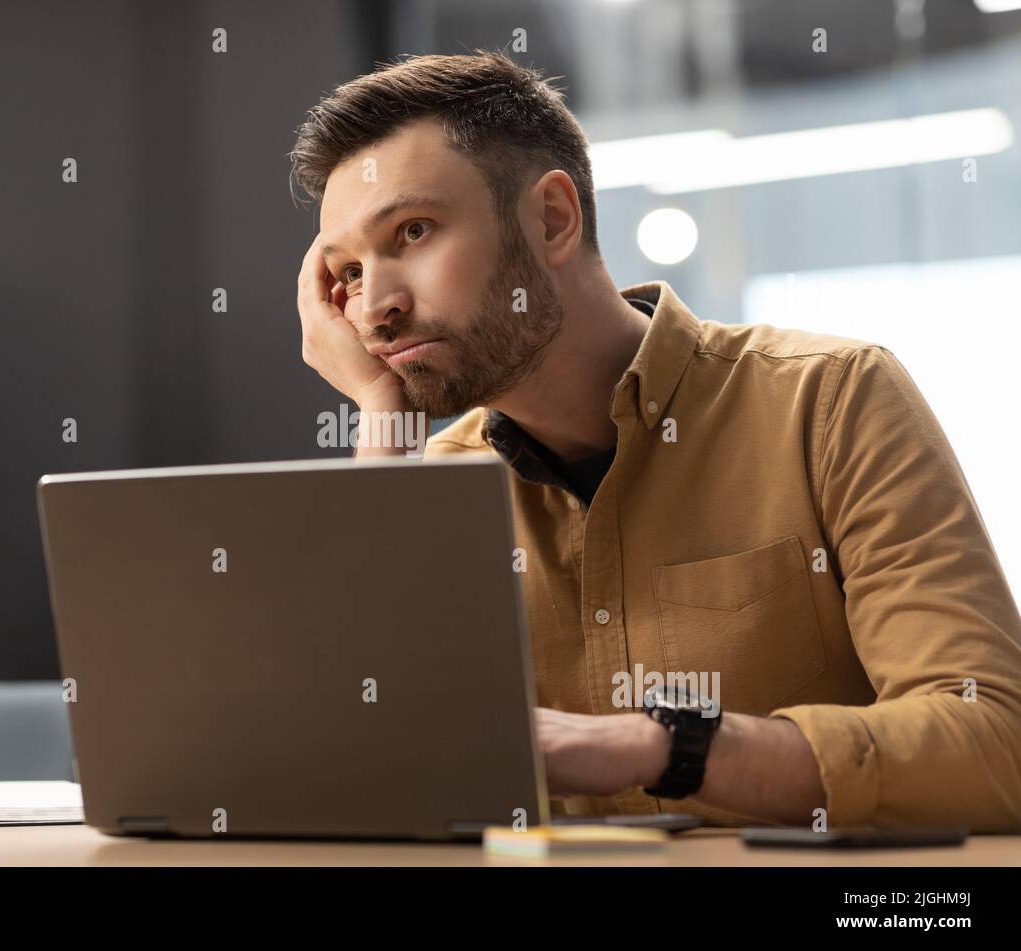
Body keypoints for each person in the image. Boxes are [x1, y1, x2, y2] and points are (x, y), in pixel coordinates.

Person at [290, 50, 1021, 830]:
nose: (374, 310)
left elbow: (996, 744)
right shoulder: (431, 484)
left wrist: (661, 746)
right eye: (350, 273)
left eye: (412, 231)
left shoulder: (829, 400)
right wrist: (381, 411)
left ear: (552, 220)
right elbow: (366, 772)